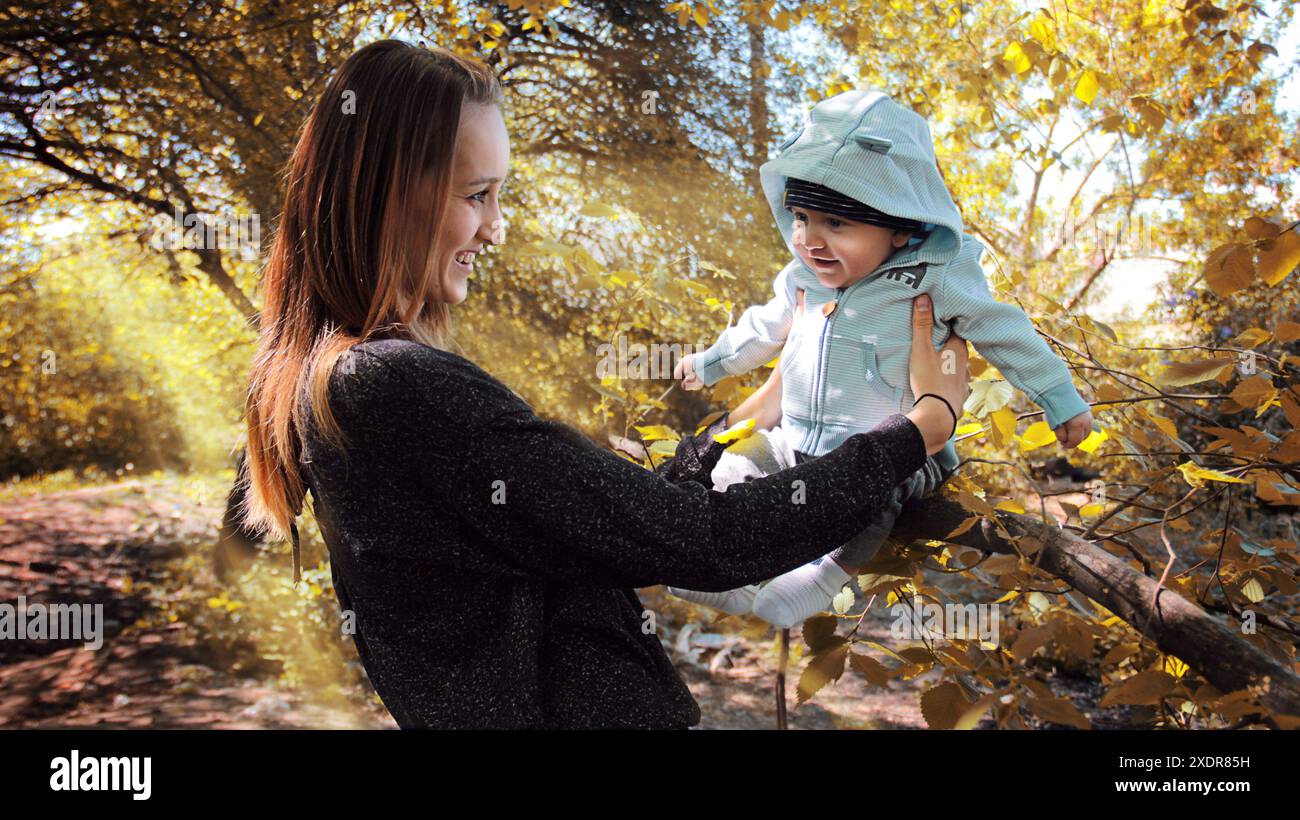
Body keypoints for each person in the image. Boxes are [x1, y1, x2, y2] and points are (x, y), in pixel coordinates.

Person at [240, 41, 971, 729]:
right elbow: (701, 540)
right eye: (477, 195)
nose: (496, 228)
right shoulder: (397, 389)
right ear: (391, 193)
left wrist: (739, 424)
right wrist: (918, 429)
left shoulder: (327, 383)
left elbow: (598, 522)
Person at [670, 88, 1095, 628]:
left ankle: (827, 574)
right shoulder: (802, 280)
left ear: (901, 225)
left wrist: (1058, 397)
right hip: (793, 437)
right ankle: (729, 575)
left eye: (836, 225)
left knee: (874, 492)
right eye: (801, 218)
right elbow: (761, 328)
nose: (809, 240)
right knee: (736, 461)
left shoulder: (933, 277)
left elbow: (1002, 328)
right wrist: (709, 364)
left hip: (890, 449)